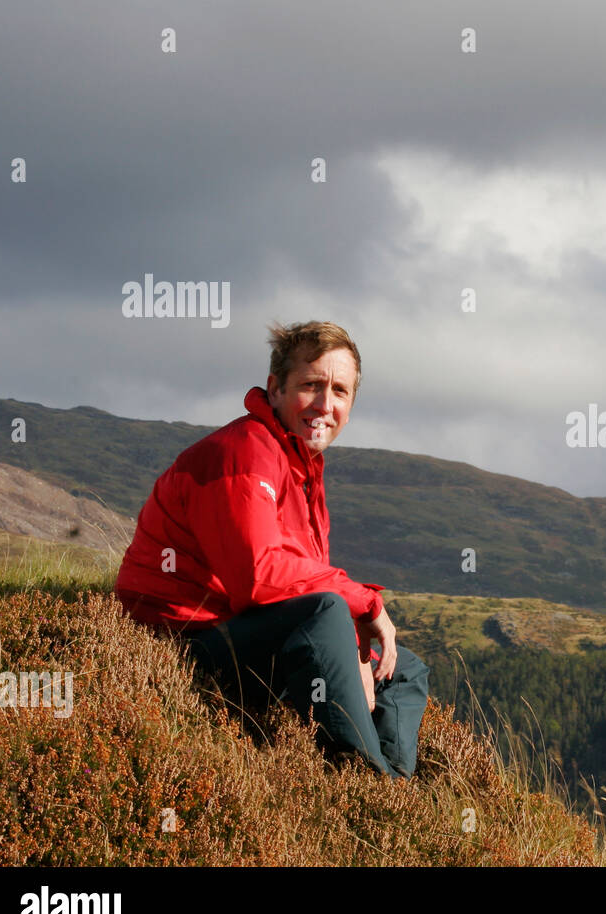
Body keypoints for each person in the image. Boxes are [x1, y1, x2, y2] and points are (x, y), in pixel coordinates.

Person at [116, 321, 428, 779]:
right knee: (325, 612)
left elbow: (300, 579)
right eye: (311, 386)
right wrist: (364, 602)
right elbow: (258, 578)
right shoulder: (242, 454)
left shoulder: (299, 465)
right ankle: (363, 778)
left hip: (240, 633)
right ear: (275, 388)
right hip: (181, 643)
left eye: (340, 391)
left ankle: (392, 795)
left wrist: (355, 653)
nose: (325, 405)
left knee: (403, 669)